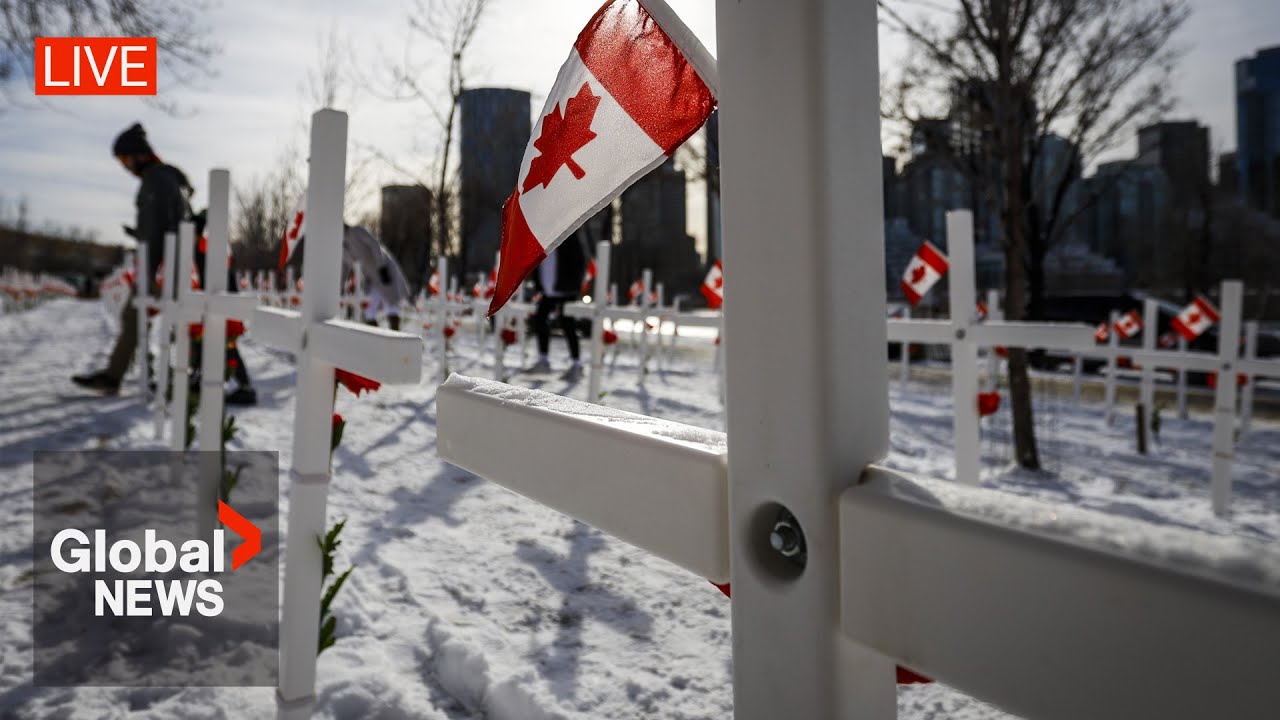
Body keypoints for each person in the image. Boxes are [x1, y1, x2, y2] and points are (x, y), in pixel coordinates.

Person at [74, 123, 191, 395]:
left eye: (125, 159)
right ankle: (114, 377)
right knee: (134, 316)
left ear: (139, 155)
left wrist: (152, 266)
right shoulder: (160, 178)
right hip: (161, 262)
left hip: (160, 265)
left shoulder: (157, 180)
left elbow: (163, 226)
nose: (124, 166)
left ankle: (173, 377)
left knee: (161, 320)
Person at [527, 229, 589, 380]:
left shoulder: (569, 236)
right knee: (540, 320)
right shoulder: (543, 237)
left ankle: (576, 364)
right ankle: (543, 360)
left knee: (568, 324)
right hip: (548, 290)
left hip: (566, 289)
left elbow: (580, 262)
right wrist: (539, 284)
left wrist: (574, 286)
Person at [341, 225, 411, 331]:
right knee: (369, 311)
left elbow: (374, 244)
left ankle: (394, 338)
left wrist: (381, 266)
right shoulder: (342, 245)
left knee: (391, 305)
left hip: (383, 270)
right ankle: (379, 340)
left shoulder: (357, 231)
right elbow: (345, 266)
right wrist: (341, 286)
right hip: (371, 278)